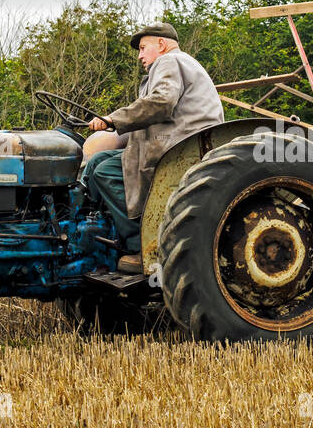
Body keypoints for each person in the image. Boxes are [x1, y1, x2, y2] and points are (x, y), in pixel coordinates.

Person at [82, 22, 224, 273]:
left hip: (179, 146)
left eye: (143, 47)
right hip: (172, 141)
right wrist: (113, 128)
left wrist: (114, 119)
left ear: (161, 44)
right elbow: (153, 114)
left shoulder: (169, 61)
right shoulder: (177, 64)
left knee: (104, 171)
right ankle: (104, 232)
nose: (139, 55)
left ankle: (143, 247)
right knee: (97, 163)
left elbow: (161, 103)